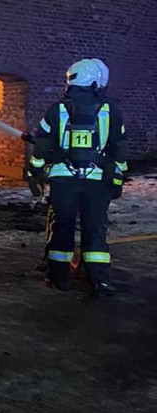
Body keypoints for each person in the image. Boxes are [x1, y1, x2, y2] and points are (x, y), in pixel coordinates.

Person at [27, 59, 128, 295]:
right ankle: (100, 281)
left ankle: (57, 278)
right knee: (95, 229)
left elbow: (41, 147)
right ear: (97, 81)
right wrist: (117, 177)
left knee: (62, 227)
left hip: (63, 181)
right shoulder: (111, 110)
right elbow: (120, 150)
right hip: (98, 182)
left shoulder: (57, 109)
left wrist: (34, 172)